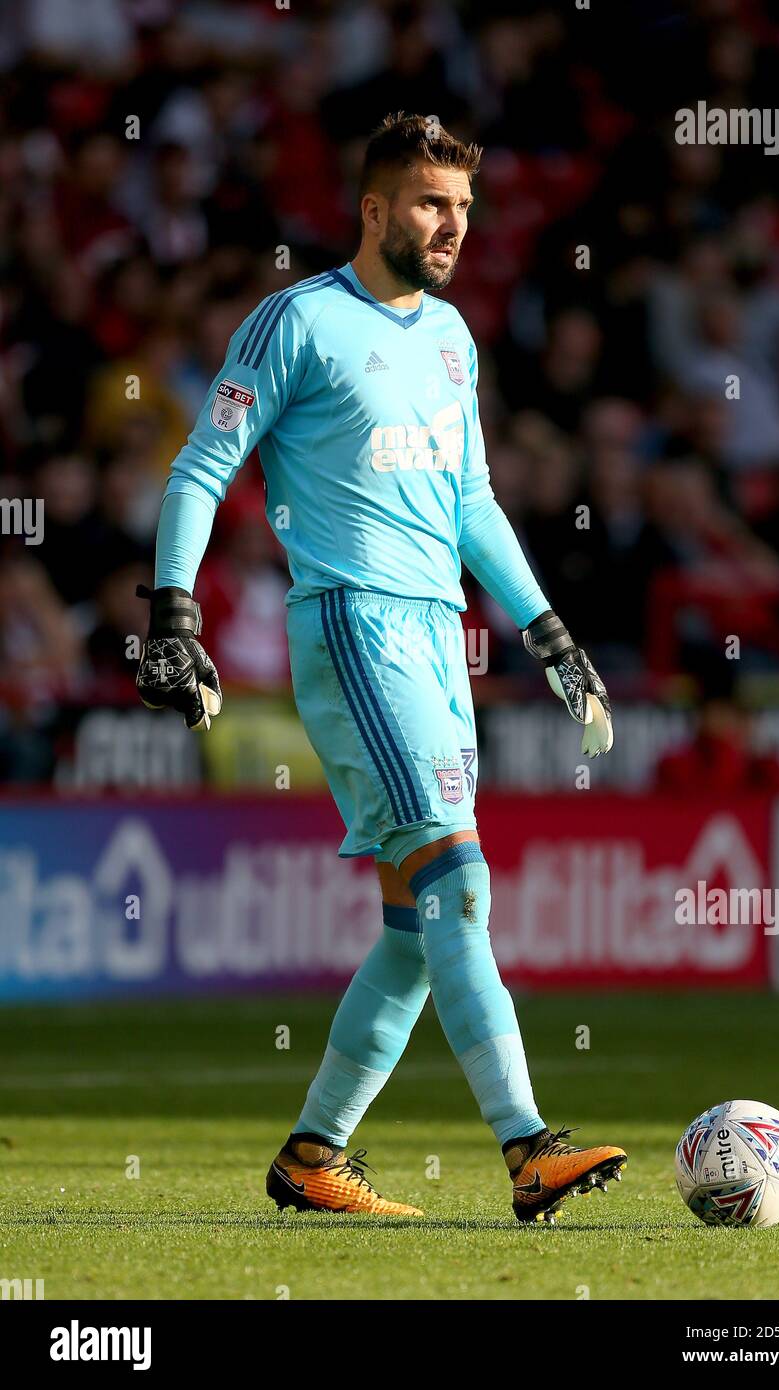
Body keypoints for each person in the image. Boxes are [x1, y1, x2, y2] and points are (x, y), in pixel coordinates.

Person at [135, 113, 624, 1225]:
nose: (450, 224)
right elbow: (203, 463)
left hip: (439, 635)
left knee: (415, 929)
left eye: (460, 206)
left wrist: (549, 631)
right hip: (354, 626)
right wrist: (172, 610)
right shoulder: (295, 320)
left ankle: (316, 1155)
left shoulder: (453, 339)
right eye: (426, 203)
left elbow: (470, 503)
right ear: (372, 208)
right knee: (462, 881)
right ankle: (526, 1146)